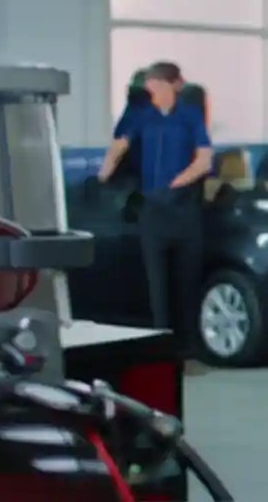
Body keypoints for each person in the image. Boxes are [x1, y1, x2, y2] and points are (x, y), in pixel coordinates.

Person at [98, 61, 213, 368]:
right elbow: (118, 147)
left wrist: (174, 185)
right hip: (156, 209)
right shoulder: (140, 115)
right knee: (157, 287)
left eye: (156, 86)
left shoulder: (190, 115)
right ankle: (164, 353)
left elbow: (204, 160)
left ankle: (187, 350)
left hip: (182, 207)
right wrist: (103, 175)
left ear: (171, 85)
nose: (151, 93)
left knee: (185, 284)